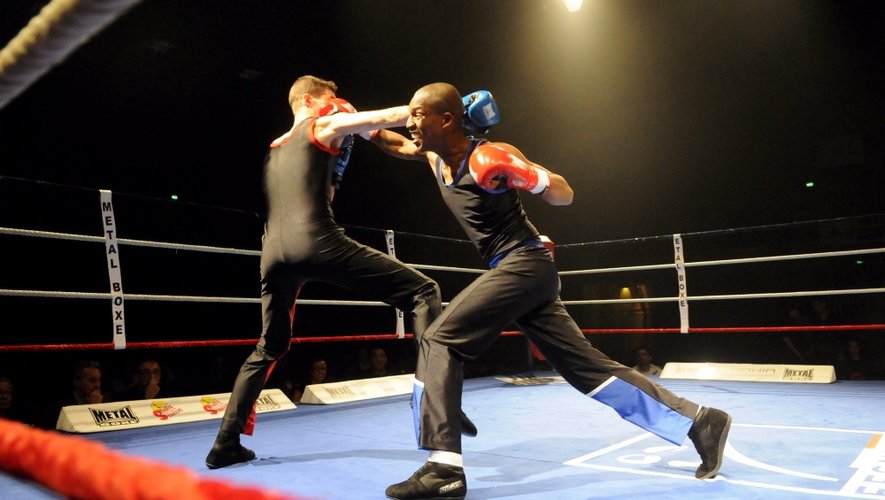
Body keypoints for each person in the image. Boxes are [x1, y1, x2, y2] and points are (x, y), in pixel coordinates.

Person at [380, 82, 733, 499]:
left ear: (447, 119)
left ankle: (444, 467)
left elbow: (564, 195)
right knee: (588, 370)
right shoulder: (433, 156)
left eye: (419, 114)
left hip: (525, 264)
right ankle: (700, 421)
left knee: (439, 338)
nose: (410, 121)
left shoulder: (487, 157)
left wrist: (532, 177)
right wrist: (341, 123)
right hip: (518, 271)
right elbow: (390, 140)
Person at [204, 75, 478, 470]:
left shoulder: (274, 149)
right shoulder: (323, 123)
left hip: (272, 253)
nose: (339, 103)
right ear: (314, 99)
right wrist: (443, 111)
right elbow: (392, 116)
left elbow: (389, 141)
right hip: (316, 240)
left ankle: (225, 443)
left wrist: (435, 150)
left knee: (270, 345)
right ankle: (441, 404)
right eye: (332, 98)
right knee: (423, 291)